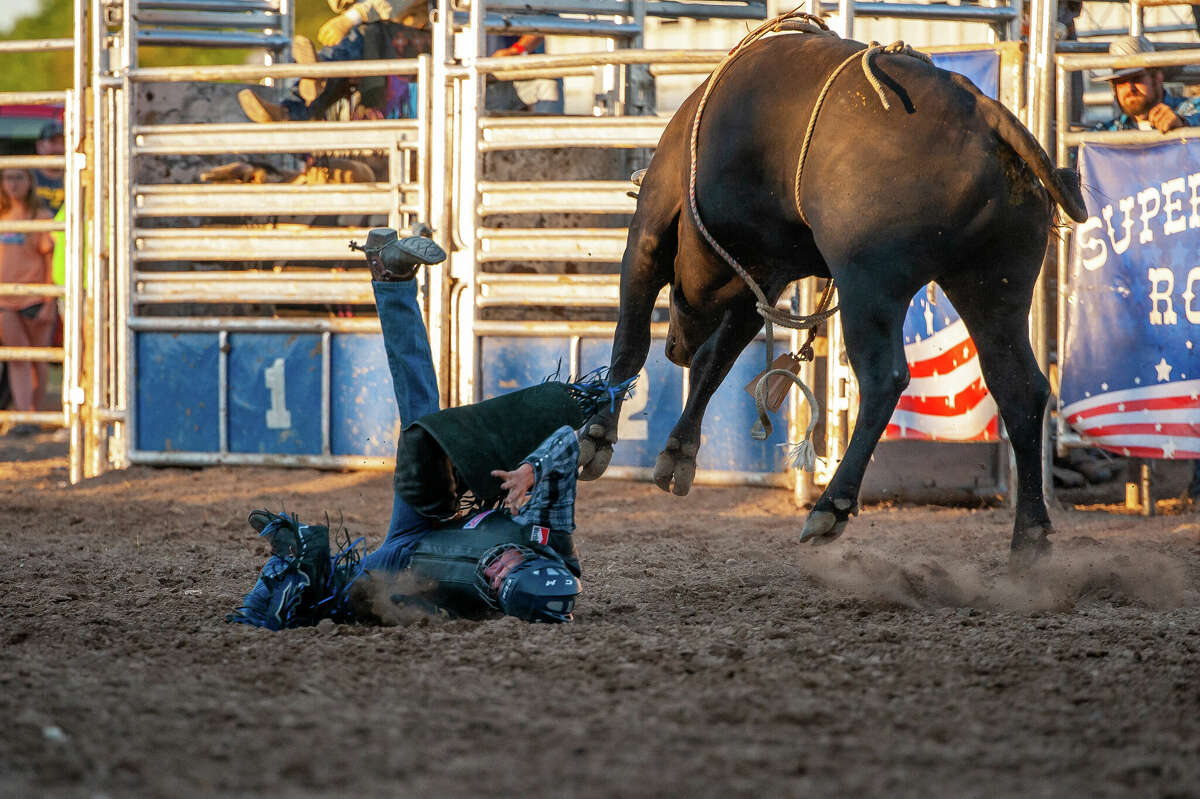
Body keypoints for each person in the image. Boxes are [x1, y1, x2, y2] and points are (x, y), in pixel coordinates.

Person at [226, 228, 632, 627]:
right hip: (441, 514)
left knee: (318, 591)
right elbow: (563, 441)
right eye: (509, 570)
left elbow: (426, 606)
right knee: (424, 417)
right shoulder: (550, 537)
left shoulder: (492, 605)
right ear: (533, 561)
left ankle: (261, 602)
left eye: (497, 586)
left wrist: (396, 604)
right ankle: (394, 279)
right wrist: (531, 471)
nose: (496, 573)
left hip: (408, 560)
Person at [0, 169, 56, 434]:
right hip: (5, 299)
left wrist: (49, 300)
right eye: (8, 178)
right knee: (17, 357)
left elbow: (50, 261)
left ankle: (35, 411)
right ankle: (24, 415)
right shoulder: (2, 216)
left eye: (19, 177)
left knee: (38, 359)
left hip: (35, 296)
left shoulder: (41, 217)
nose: (13, 184)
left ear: (30, 182)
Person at [1094, 35, 1200, 133]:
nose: (1130, 88)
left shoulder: (1193, 108)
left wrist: (1183, 124)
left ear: (1157, 77)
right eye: (1121, 82)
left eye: (1137, 78)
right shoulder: (1106, 131)